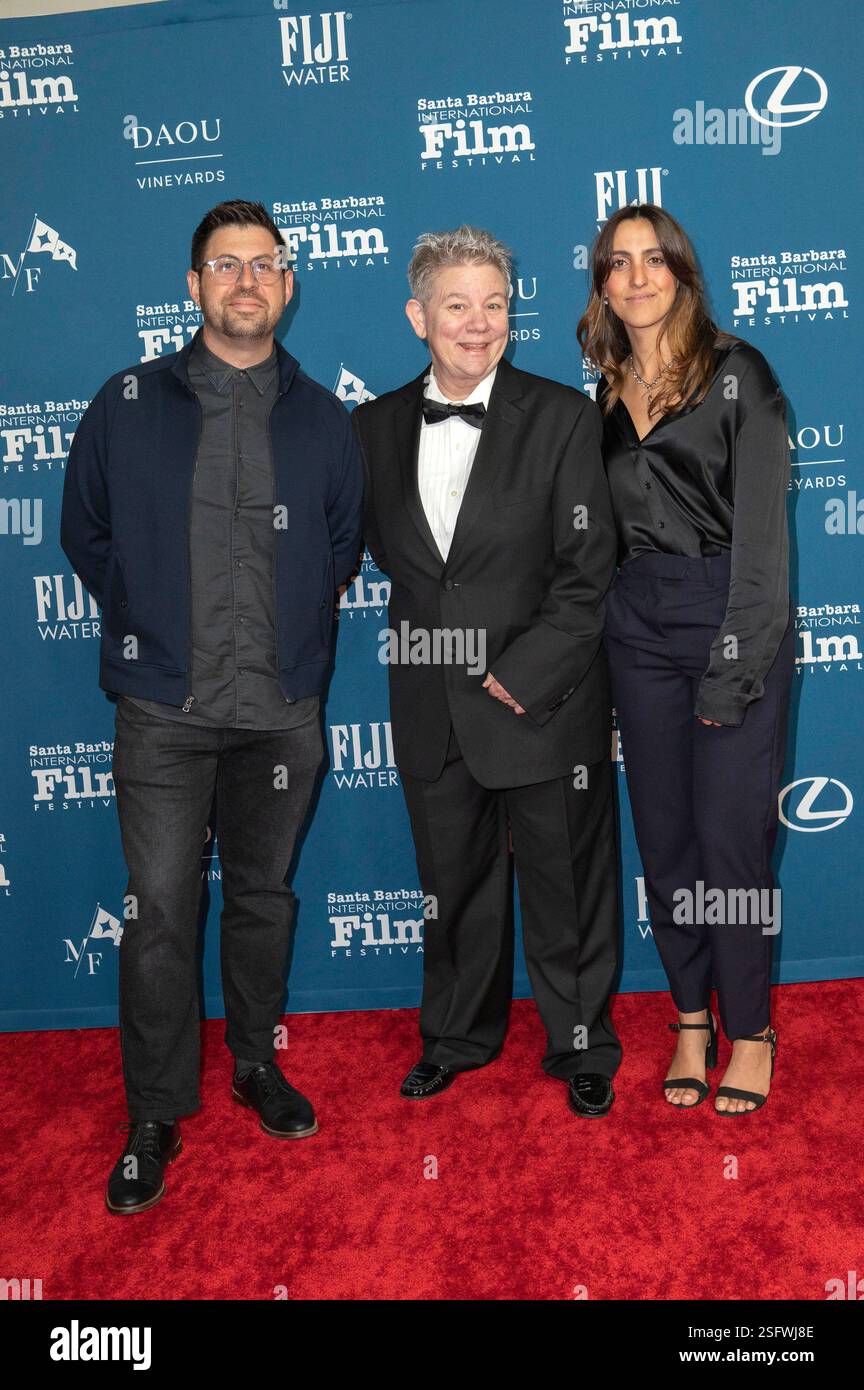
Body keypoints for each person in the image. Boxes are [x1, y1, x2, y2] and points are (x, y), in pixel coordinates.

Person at [61, 199, 363, 1212]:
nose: (245, 281)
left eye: (263, 265)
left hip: (281, 705)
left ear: (286, 283)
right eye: (224, 265)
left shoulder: (324, 417)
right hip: (164, 708)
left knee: (264, 899)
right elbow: (87, 533)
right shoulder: (129, 401)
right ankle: (154, 1110)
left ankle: (254, 1063)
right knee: (157, 913)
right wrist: (148, 615)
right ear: (193, 286)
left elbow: (341, 547)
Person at [353, 225, 621, 1117]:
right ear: (417, 316)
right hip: (431, 702)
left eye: (495, 304)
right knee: (452, 886)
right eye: (457, 305)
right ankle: (457, 1038)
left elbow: (588, 573)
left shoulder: (563, 417)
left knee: (566, 884)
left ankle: (581, 1042)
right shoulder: (372, 428)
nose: (478, 323)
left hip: (545, 703)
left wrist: (523, 673)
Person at [578, 203, 794, 1115]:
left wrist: (734, 668)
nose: (636, 276)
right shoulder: (602, 390)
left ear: (683, 272)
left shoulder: (740, 375)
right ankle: (691, 1020)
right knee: (665, 843)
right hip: (638, 632)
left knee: (732, 844)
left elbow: (762, 548)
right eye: (617, 263)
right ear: (601, 285)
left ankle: (750, 1029)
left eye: (653, 259)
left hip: (729, 620)